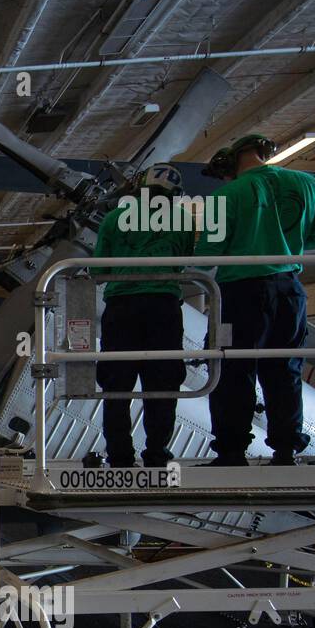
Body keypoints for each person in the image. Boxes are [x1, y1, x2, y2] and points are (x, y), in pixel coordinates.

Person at [196, 134, 315, 466]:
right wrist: (286, 245)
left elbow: (208, 255)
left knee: (232, 369)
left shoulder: (227, 195)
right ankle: (286, 449)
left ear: (233, 161)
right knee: (284, 370)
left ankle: (232, 452)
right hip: (289, 292)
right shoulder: (313, 183)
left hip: (238, 294)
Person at [91, 163, 191, 468]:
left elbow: (98, 272)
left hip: (122, 309)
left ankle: (120, 455)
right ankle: (157, 454)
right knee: (162, 385)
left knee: (116, 386)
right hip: (164, 308)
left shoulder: (114, 218)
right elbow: (183, 262)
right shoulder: (181, 220)